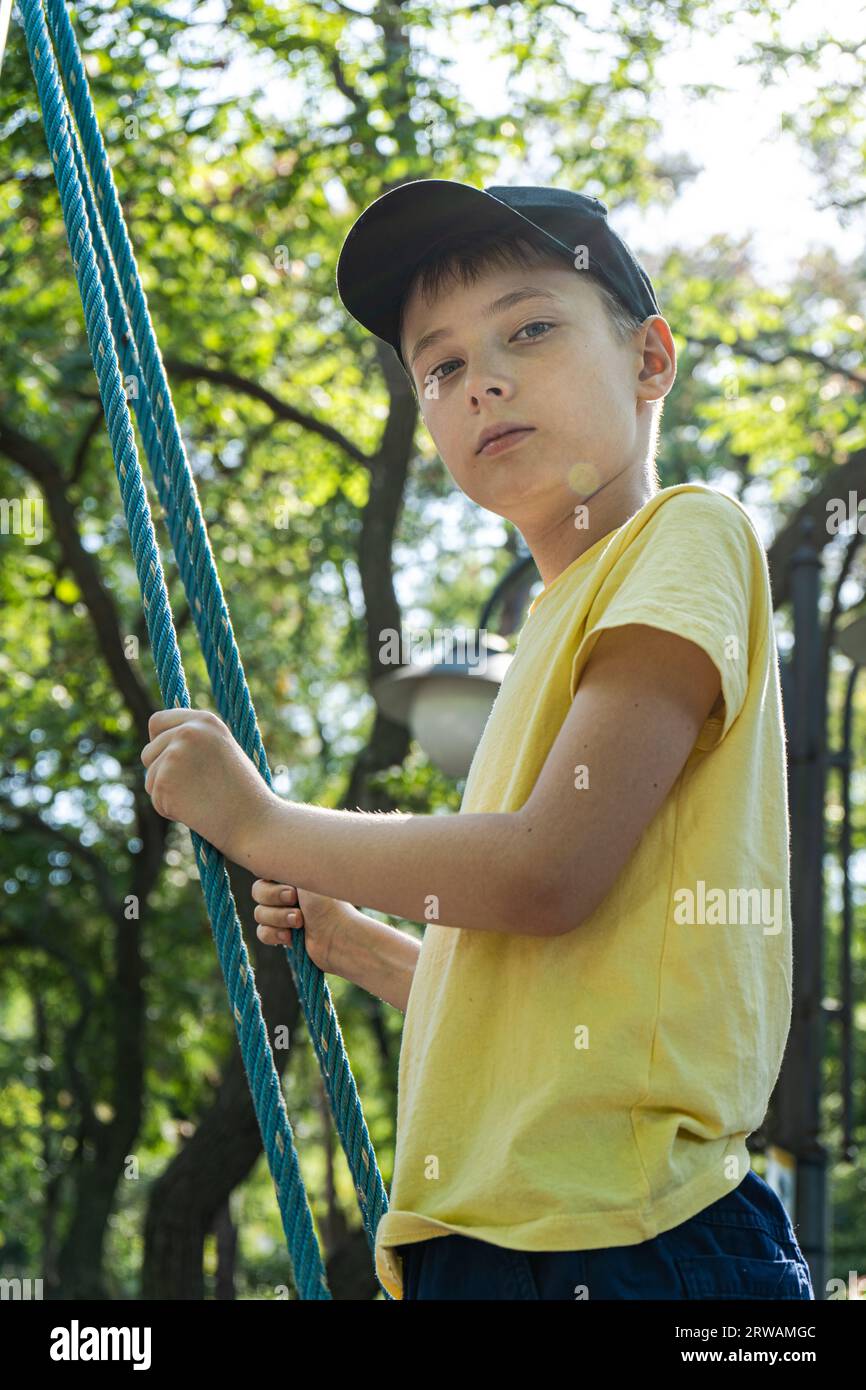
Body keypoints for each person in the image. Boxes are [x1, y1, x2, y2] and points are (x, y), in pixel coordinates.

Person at [142, 181, 815, 1301]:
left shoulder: (685, 534)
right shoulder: (543, 633)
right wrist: (358, 944)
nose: (482, 378)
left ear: (650, 359)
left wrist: (265, 824)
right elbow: (553, 1011)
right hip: (510, 1240)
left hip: (631, 1239)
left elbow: (543, 869)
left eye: (531, 328)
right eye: (441, 366)